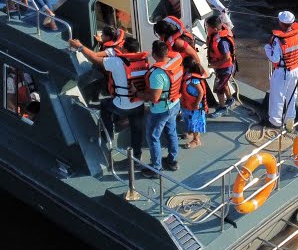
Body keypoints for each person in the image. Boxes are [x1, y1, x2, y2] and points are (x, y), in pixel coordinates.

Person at [69, 36, 148, 154]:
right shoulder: (144, 61)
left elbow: (94, 58)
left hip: (122, 106)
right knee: (136, 131)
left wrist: (79, 47)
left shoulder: (117, 62)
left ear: (125, 50)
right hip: (139, 104)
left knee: (105, 105)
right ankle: (137, 155)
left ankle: (108, 135)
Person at [265, 10, 298, 130]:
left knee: (277, 97)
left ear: (281, 23)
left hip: (282, 72)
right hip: (295, 69)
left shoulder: (277, 40)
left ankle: (275, 123)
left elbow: (274, 58)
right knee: (292, 95)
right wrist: (295, 57)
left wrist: (267, 48)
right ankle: (290, 120)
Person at [144, 39, 180, 174]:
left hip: (161, 110)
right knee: (171, 133)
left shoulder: (157, 74)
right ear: (167, 52)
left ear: (154, 55)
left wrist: (139, 94)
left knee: (153, 137)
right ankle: (172, 160)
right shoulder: (175, 63)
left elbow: (155, 97)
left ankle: (156, 168)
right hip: (175, 104)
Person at [204, 13, 236, 118]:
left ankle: (222, 108)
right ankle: (230, 99)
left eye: (208, 27)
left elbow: (227, 57)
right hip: (222, 68)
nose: (206, 28)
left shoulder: (222, 42)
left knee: (218, 88)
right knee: (224, 84)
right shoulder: (215, 36)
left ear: (214, 29)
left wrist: (214, 65)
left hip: (224, 68)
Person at [180, 58, 208, 148]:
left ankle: (196, 140)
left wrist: (196, 104)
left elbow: (201, 92)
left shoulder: (194, 80)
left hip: (195, 105)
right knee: (189, 119)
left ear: (188, 68)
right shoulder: (187, 76)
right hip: (188, 104)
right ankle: (191, 132)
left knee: (195, 122)